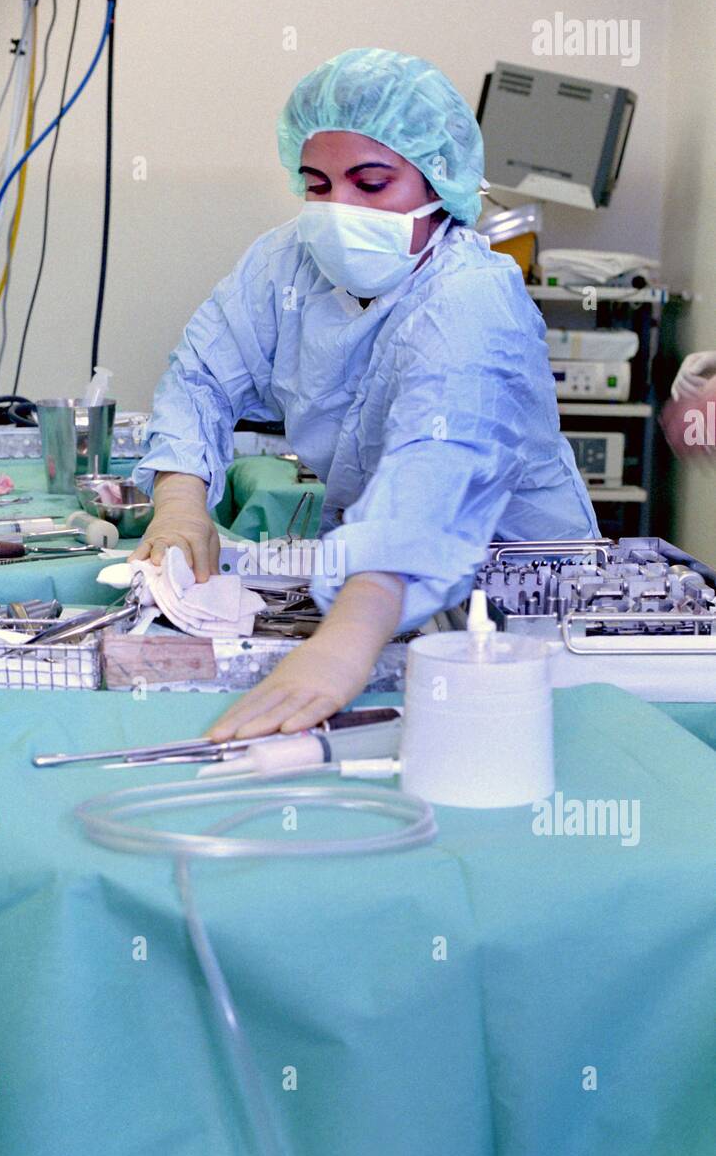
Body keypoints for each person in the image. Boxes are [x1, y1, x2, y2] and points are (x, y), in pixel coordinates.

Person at [131, 48, 597, 740]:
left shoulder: (472, 298)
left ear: (441, 180)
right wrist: (178, 501)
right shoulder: (285, 262)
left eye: (372, 184)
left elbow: (433, 468)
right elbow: (202, 372)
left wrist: (348, 638)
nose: (337, 209)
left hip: (528, 610)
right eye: (317, 185)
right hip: (375, 594)